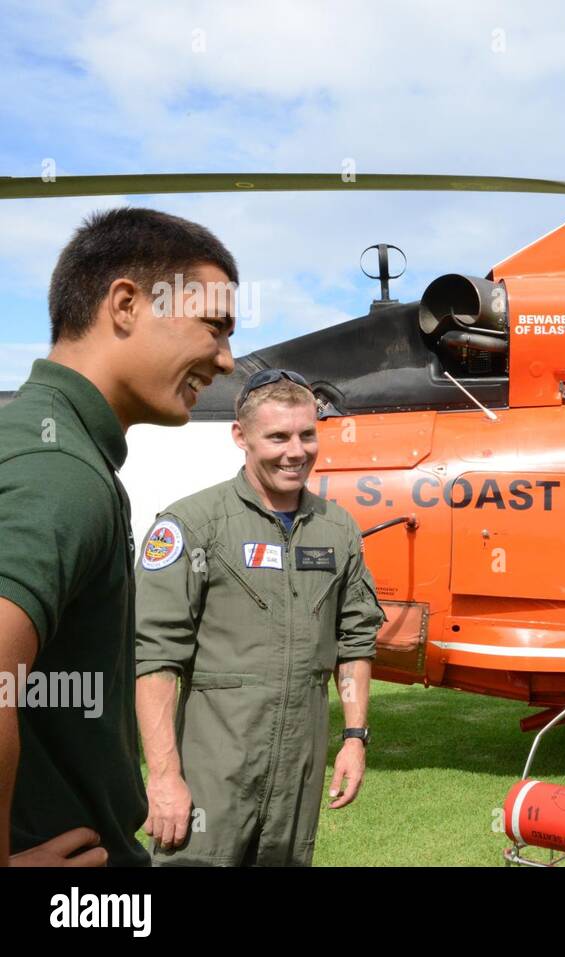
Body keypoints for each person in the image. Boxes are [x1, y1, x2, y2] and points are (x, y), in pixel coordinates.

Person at [0, 208, 236, 866]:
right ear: (126, 304)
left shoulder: (30, 440)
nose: (226, 359)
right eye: (214, 326)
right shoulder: (62, 472)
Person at [134, 370, 384, 866]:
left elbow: (355, 642)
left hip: (298, 774)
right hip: (213, 772)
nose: (296, 451)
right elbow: (155, 656)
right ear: (240, 436)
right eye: (277, 437)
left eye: (306, 434)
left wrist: (354, 739)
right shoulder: (192, 525)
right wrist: (163, 776)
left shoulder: (337, 530)